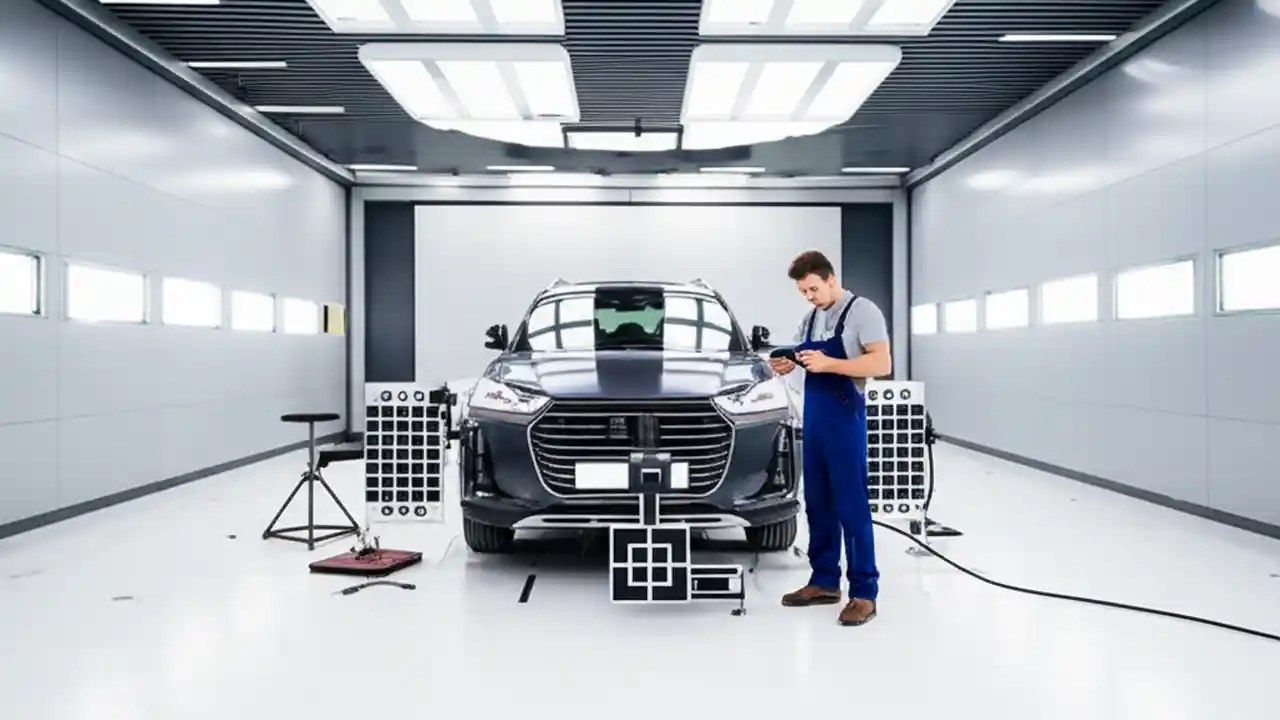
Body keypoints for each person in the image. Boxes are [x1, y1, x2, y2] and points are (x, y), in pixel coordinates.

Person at [771, 250, 891, 626]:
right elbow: (803, 356)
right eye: (803, 291)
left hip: (845, 417)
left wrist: (832, 364)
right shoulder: (811, 318)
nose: (809, 296)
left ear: (831, 278)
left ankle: (864, 593)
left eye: (813, 288)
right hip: (817, 421)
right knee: (817, 503)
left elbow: (881, 363)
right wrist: (787, 362)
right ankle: (824, 580)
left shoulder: (863, 311)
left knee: (851, 507)